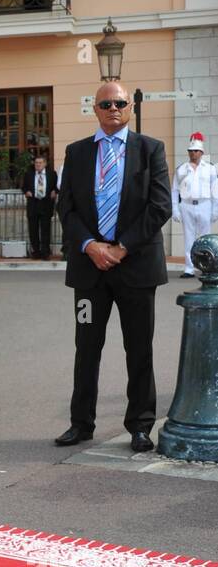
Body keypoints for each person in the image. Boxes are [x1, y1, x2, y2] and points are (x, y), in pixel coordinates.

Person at [56, 81, 172, 452]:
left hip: (135, 268)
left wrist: (121, 248)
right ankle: (81, 424)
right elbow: (67, 208)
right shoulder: (77, 153)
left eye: (120, 103)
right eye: (105, 103)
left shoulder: (150, 150)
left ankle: (140, 426)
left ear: (130, 108)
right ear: (95, 109)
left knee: (139, 348)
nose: (113, 109)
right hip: (91, 270)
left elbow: (160, 206)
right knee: (86, 347)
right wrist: (90, 246)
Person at [172, 131, 218, 277]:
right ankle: (189, 268)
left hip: (205, 204)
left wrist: (215, 209)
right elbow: (174, 190)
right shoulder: (181, 169)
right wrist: (175, 209)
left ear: (201, 152)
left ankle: (206, 266)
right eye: (191, 151)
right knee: (189, 237)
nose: (193, 153)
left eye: (196, 151)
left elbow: (215, 190)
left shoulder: (210, 168)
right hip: (186, 205)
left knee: (205, 237)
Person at [22, 152, 58, 259]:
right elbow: (23, 187)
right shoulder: (29, 174)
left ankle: (45, 252)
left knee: (45, 230)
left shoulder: (52, 174)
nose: (38, 165)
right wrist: (26, 191)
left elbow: (58, 186)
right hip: (33, 204)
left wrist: (55, 191)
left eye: (40, 163)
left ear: (45, 164)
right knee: (33, 230)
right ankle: (36, 252)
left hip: (46, 204)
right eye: (36, 163)